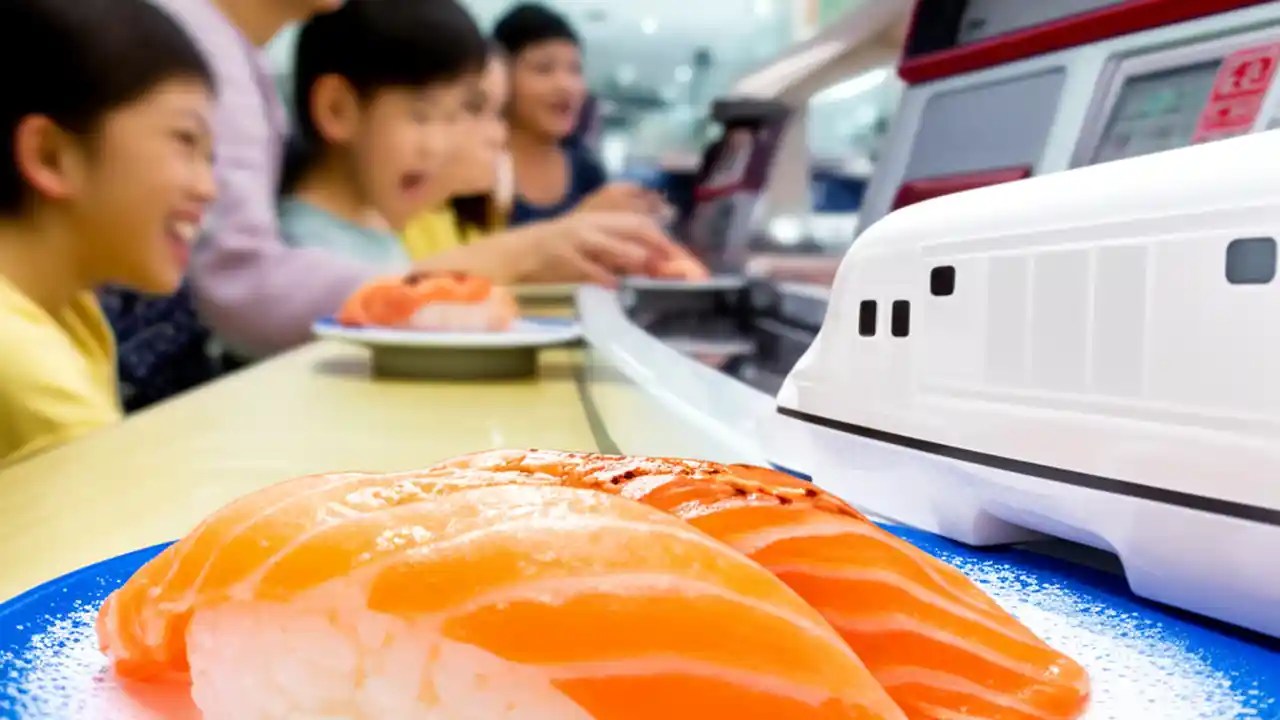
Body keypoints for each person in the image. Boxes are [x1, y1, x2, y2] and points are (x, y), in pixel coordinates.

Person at [0, 0, 216, 465]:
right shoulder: (24, 366)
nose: (208, 188)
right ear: (52, 156)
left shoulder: (69, 310)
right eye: (185, 141)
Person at [279, 0, 486, 268]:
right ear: (337, 109)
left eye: (453, 116)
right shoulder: (305, 248)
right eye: (421, 116)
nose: (438, 146)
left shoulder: (373, 223)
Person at [494, 3, 663, 226]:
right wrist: (580, 221)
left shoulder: (585, 169)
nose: (567, 85)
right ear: (499, 77)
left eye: (575, 70)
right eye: (544, 69)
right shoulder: (477, 169)